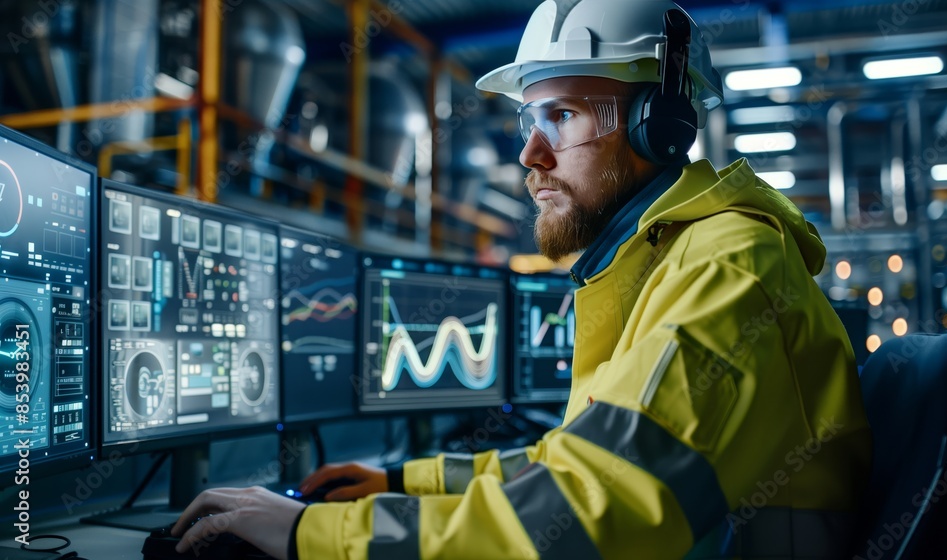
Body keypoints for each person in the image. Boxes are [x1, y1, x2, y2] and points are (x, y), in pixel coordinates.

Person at [173, 1, 872, 558]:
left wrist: (309, 534)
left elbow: (586, 513)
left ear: (657, 126)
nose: (531, 155)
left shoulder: (727, 266)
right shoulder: (665, 264)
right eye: (528, 122)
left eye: (561, 116)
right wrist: (401, 481)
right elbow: (570, 465)